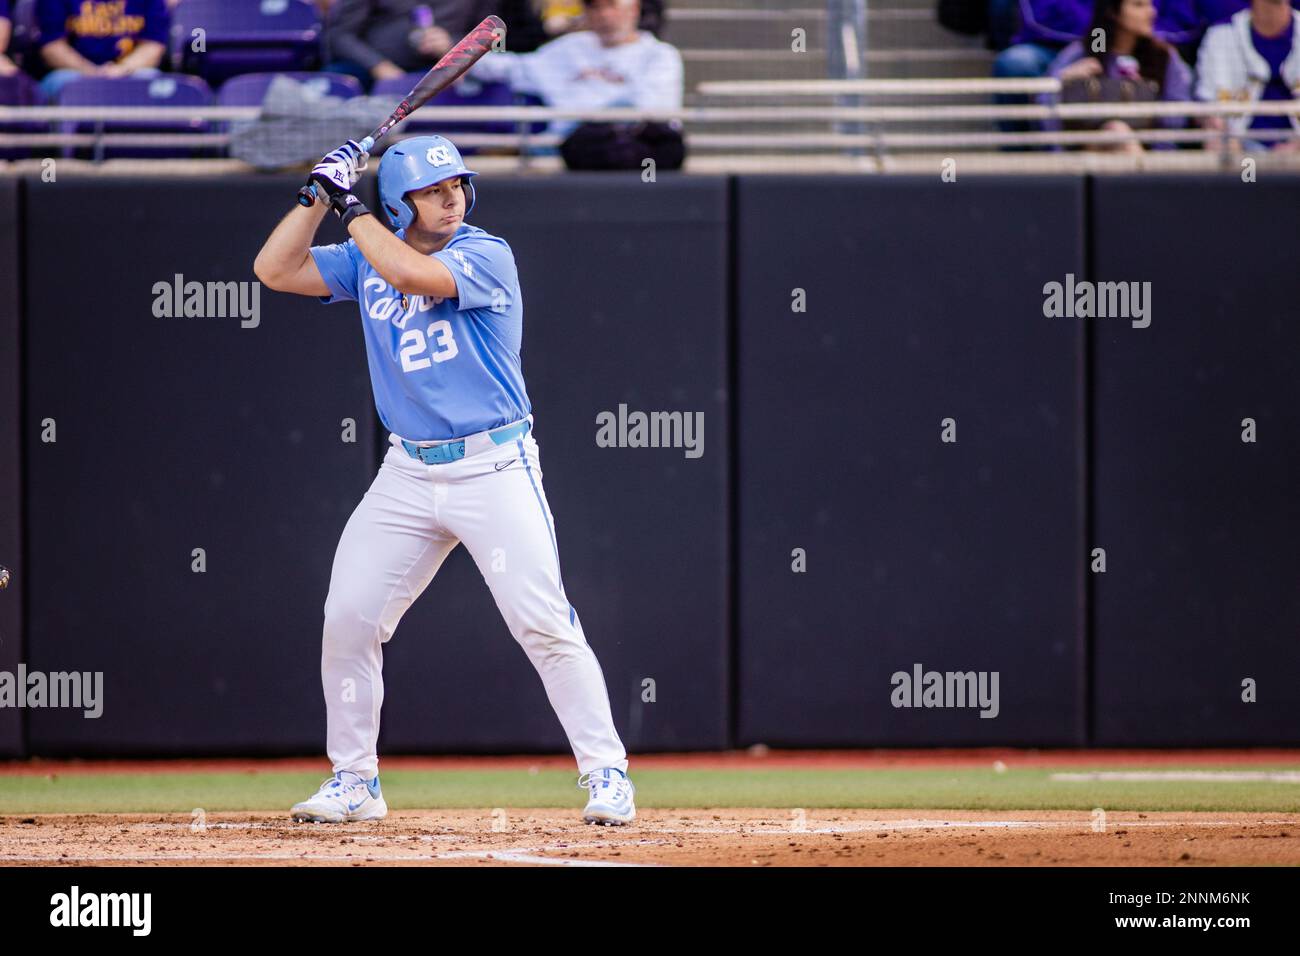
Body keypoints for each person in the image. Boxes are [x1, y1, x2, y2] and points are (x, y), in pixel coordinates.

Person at [252, 135, 635, 826]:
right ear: (401, 202)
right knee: (348, 617)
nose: (451, 196)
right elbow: (273, 270)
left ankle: (607, 772)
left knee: (541, 620)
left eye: (456, 183)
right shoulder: (369, 255)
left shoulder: (485, 253)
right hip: (407, 470)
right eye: (432, 190)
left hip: (493, 464)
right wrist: (315, 195)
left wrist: (348, 205)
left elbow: (410, 277)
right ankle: (354, 780)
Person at [465, 0, 682, 139]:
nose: (604, 15)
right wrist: (464, 61)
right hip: (568, 151)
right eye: (595, 7)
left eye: (612, 5)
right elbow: (515, 67)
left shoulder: (660, 55)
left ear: (634, 9)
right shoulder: (569, 47)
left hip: (629, 149)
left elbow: (651, 112)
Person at [1040, 0, 1193, 151]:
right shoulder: (1089, 50)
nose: (1152, 12)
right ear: (1113, 13)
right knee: (1114, 131)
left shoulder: (1162, 55)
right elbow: (1044, 105)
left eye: (1151, 5)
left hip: (1147, 151)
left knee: (1117, 132)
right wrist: (1065, 80)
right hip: (1087, 149)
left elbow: (1176, 113)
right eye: (1138, 5)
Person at [1196, 0, 1300, 149]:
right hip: (1240, 150)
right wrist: (1222, 134)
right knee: (1218, 144)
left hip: (1297, 151)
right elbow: (1207, 106)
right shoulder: (1220, 36)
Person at [36, 0, 169, 101]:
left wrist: (122, 69)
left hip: (129, 71)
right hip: (75, 71)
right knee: (60, 82)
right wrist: (92, 72)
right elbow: (52, 47)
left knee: (151, 80)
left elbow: (153, 45)